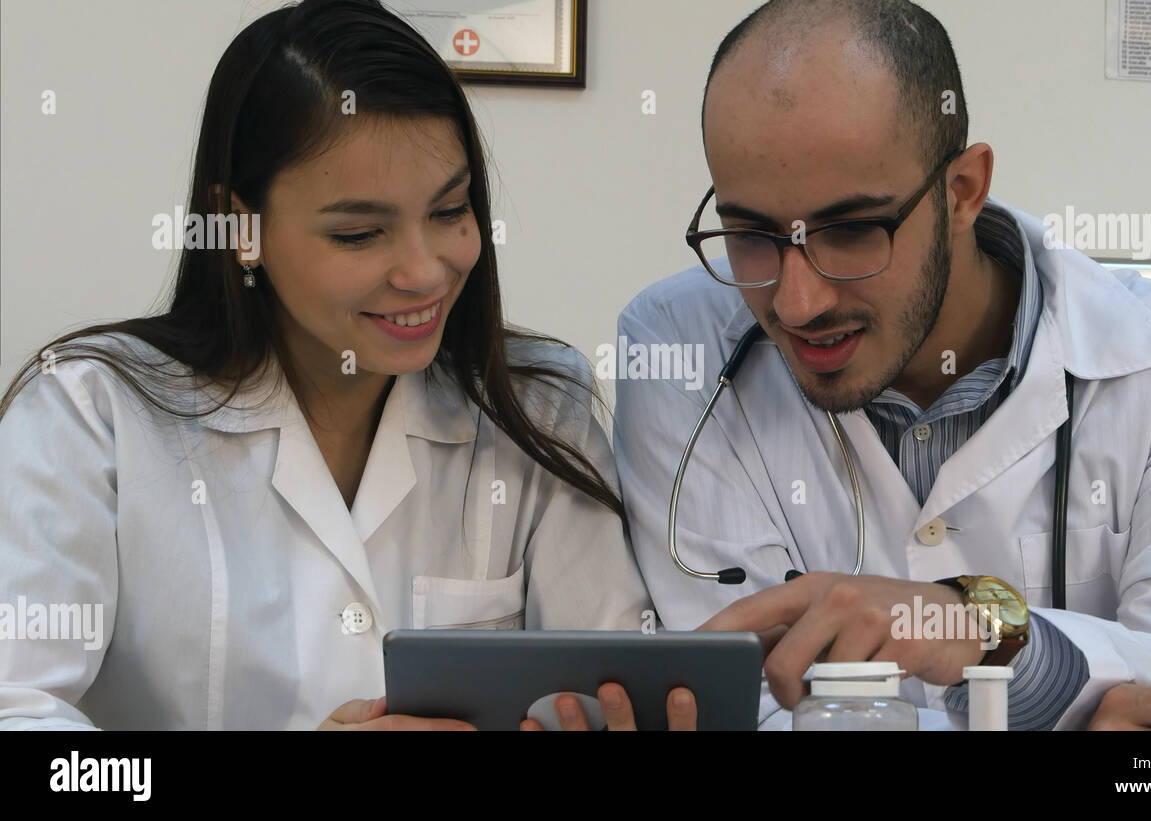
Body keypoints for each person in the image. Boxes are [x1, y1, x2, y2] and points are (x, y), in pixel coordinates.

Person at [0, 0, 693, 731]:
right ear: (237, 225)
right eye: (360, 233)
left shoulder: (537, 411)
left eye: (451, 210)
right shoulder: (89, 416)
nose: (425, 272)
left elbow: (609, 687)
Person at [613, 0, 1151, 730]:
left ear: (963, 190)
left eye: (850, 230)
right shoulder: (673, 350)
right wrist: (1063, 693)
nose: (797, 301)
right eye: (749, 234)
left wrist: (976, 626)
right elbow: (722, 702)